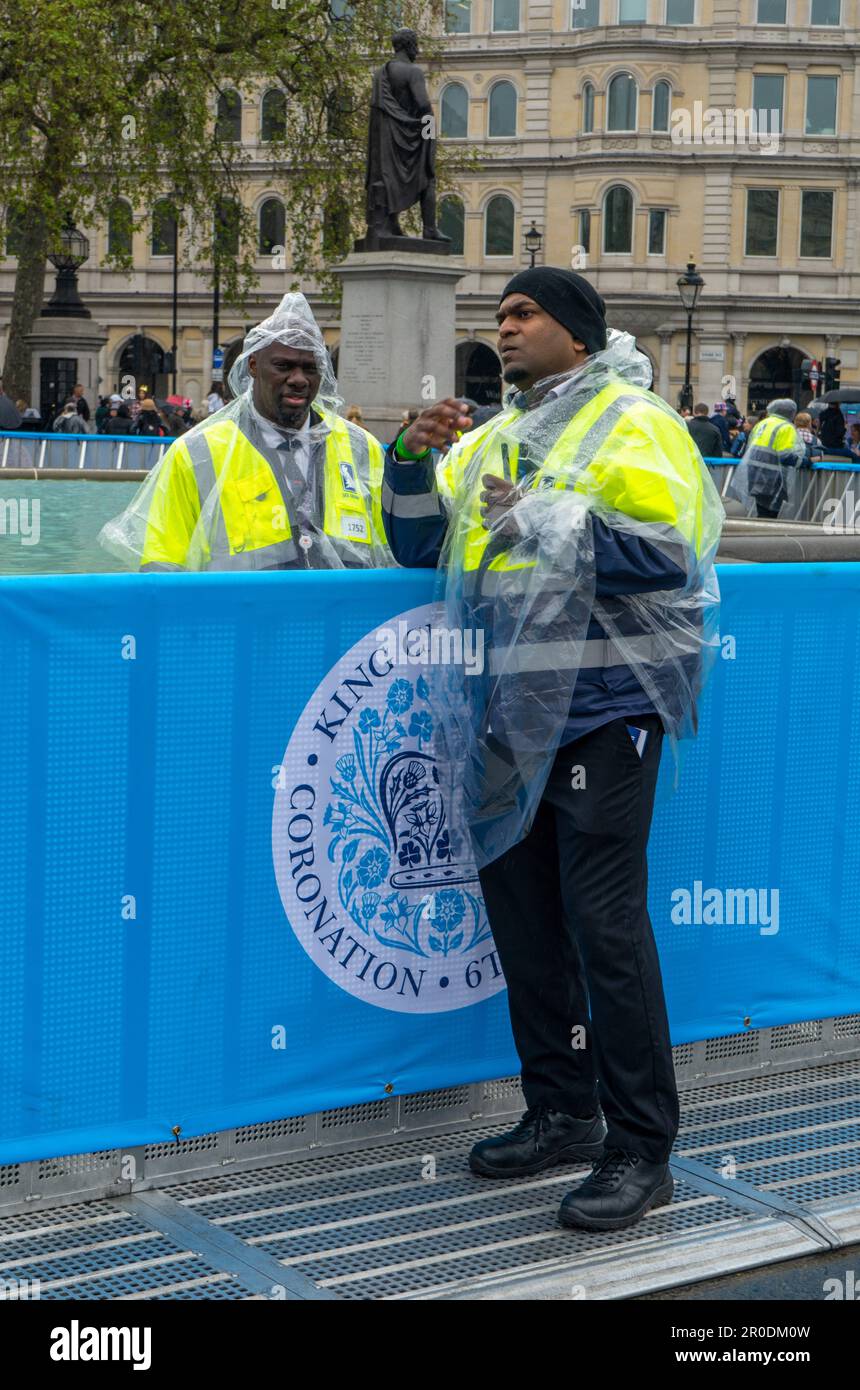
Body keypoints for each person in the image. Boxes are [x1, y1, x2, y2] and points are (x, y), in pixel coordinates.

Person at [382, 266, 723, 1231]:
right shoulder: (497, 433)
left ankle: (640, 1146)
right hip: (507, 715)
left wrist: (546, 517)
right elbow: (420, 546)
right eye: (498, 316)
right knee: (524, 918)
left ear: (577, 331)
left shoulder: (633, 421)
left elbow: (674, 553)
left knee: (602, 925)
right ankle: (562, 1110)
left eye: (525, 313)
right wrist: (406, 461)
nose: (506, 328)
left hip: (605, 705)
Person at [99, 292, 399, 571]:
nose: (298, 379)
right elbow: (162, 569)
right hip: (239, 623)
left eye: (310, 368)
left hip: (345, 624)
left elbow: (392, 553)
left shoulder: (362, 448)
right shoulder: (196, 453)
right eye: (284, 366)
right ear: (253, 365)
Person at [729, 398, 806, 519]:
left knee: (762, 513)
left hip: (754, 475)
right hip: (772, 479)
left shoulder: (762, 423)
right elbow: (785, 456)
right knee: (770, 516)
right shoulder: (786, 427)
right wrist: (805, 461)